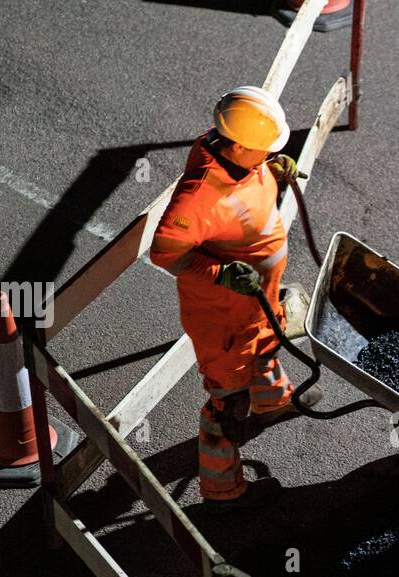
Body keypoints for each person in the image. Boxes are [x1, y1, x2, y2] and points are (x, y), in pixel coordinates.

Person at [150, 86, 321, 510]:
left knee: (266, 343)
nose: (267, 154)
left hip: (255, 299)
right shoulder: (199, 197)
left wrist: (273, 170)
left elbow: (249, 191)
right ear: (239, 144)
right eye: (262, 150)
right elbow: (165, 253)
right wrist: (222, 273)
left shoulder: (237, 152)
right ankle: (223, 491)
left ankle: (274, 401)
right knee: (228, 401)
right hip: (223, 315)